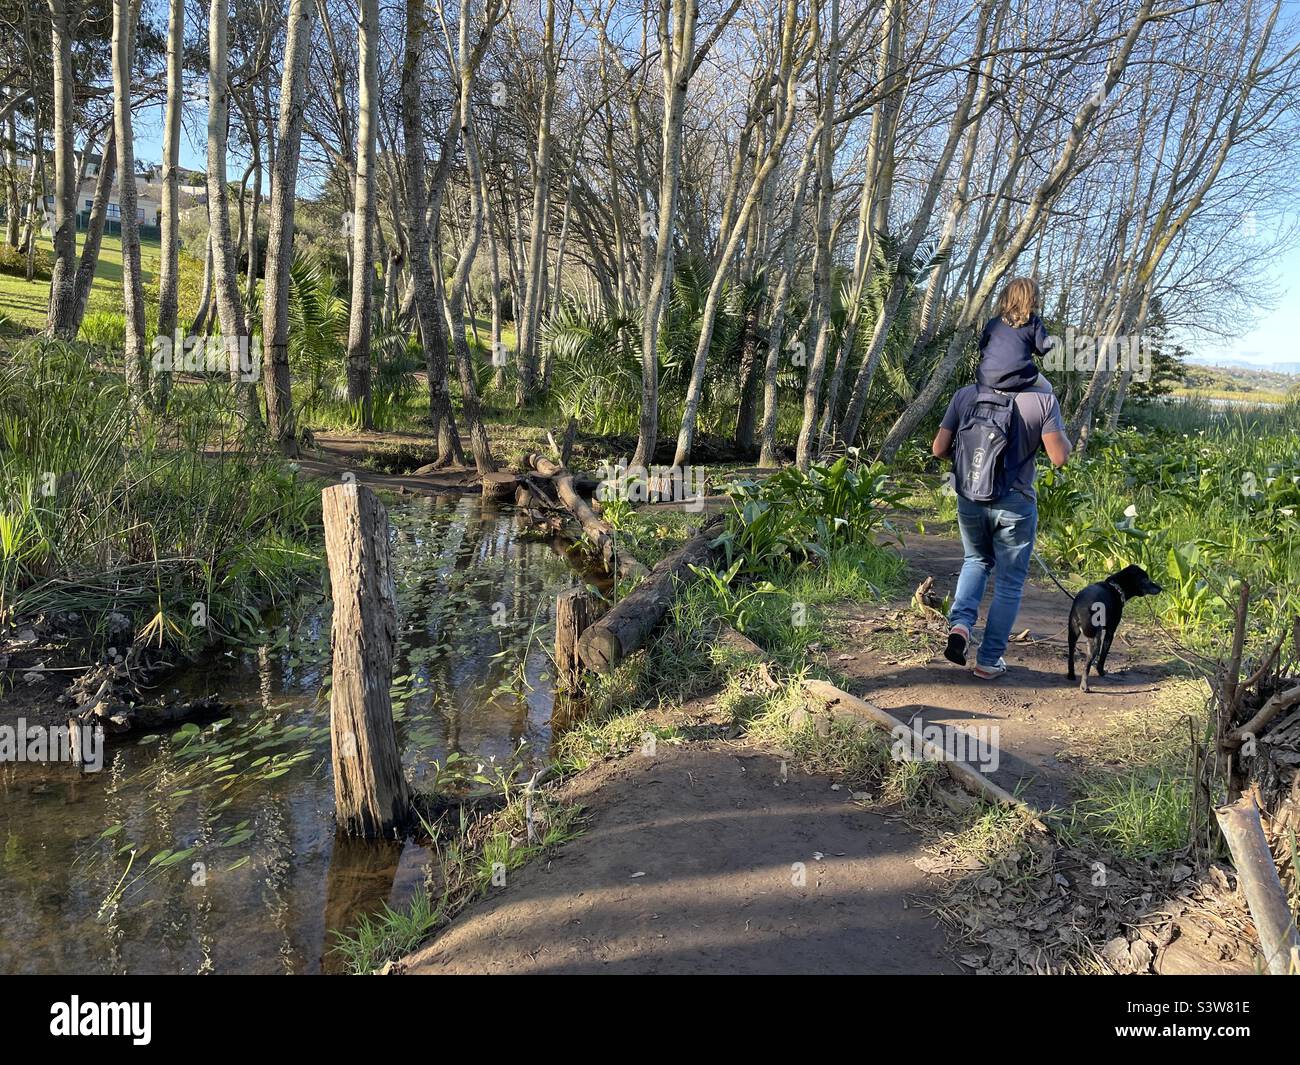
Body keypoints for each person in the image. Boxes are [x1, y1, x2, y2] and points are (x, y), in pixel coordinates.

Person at [931, 375, 1072, 679]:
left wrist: (973, 459)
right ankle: (988, 661)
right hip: (1015, 503)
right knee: (1009, 583)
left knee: (975, 560)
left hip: (970, 497)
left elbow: (939, 449)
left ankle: (960, 626)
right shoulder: (1043, 400)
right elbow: (1059, 457)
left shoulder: (966, 394)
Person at [976, 277, 1054, 392]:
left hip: (986, 376)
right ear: (1032, 299)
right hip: (1019, 376)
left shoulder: (993, 322)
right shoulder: (1033, 322)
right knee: (1048, 388)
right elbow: (1043, 349)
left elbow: (982, 347)